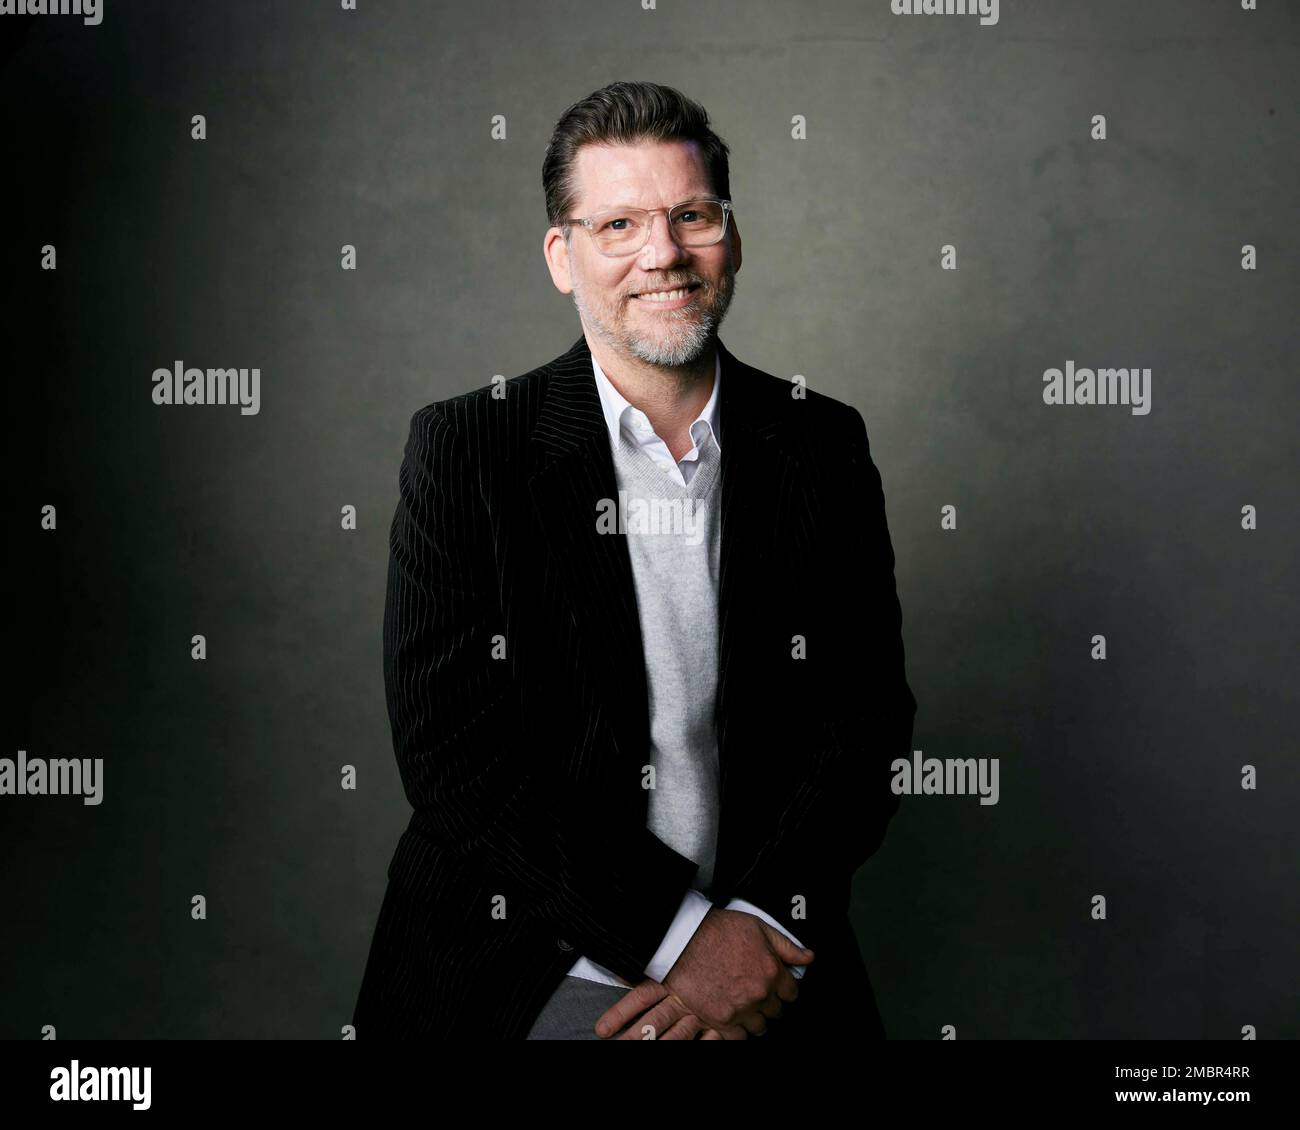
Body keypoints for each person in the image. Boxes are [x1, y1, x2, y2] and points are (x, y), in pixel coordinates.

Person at [352, 80, 916, 1041]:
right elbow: (455, 756)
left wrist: (748, 933)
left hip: (764, 950)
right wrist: (681, 939)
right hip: (530, 957)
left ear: (730, 236)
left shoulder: (820, 443)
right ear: (561, 258)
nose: (663, 254)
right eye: (618, 224)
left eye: (691, 216)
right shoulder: (468, 449)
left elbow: (864, 727)